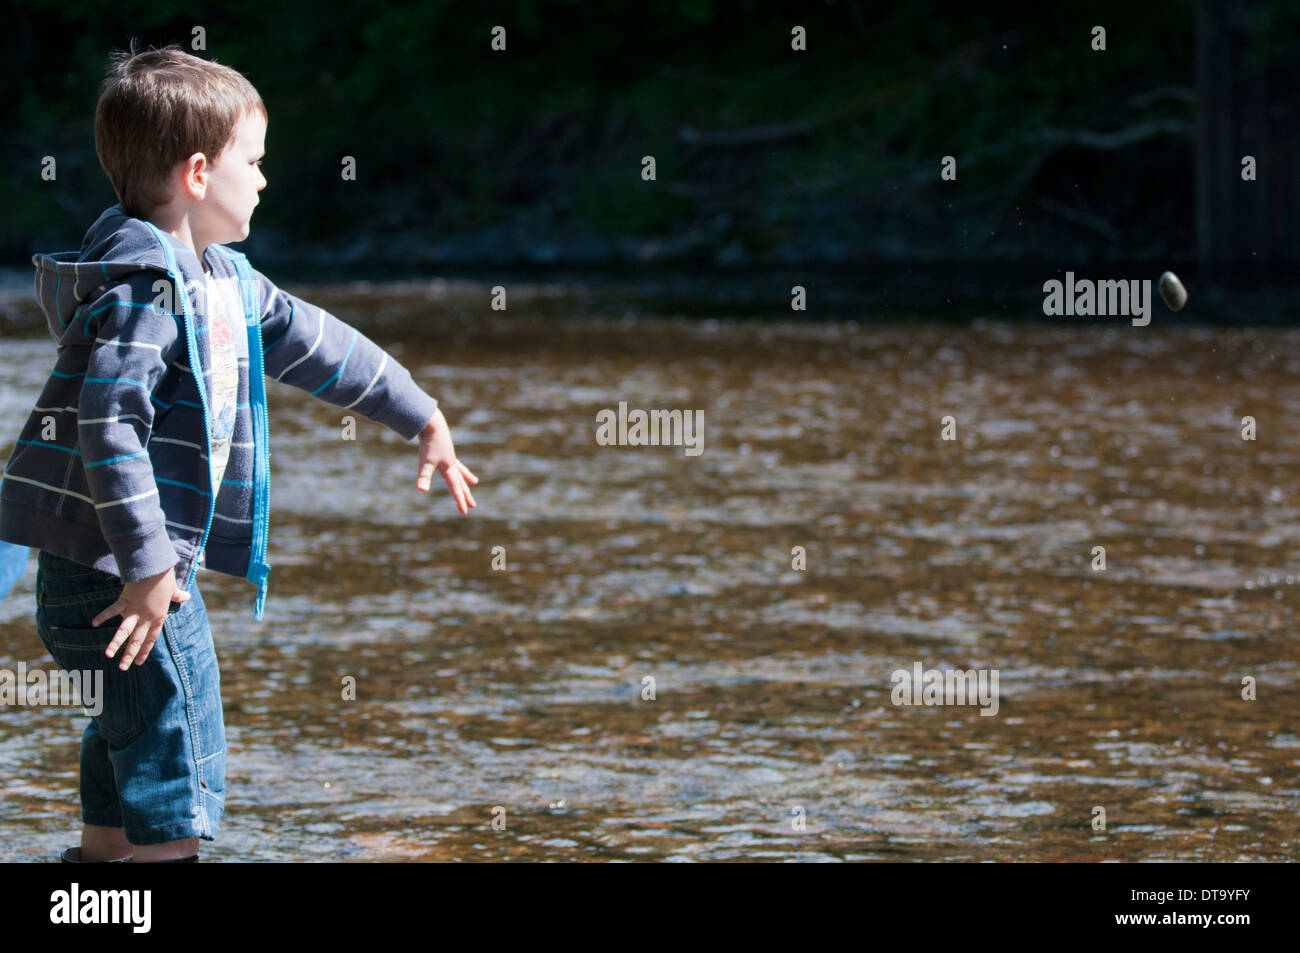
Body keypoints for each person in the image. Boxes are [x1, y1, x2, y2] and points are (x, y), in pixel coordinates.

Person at [0, 42, 478, 862]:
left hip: (107, 573)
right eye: (251, 162)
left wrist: (421, 413)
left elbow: (325, 348)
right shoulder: (144, 294)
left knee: (132, 736)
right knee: (179, 745)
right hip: (122, 576)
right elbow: (105, 426)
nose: (262, 179)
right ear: (196, 174)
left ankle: (90, 891)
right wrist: (150, 570)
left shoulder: (219, 280)